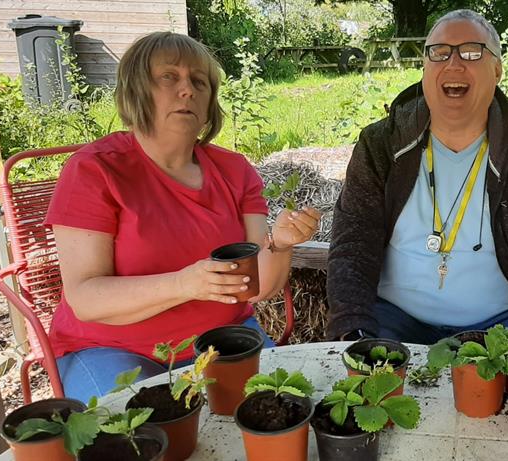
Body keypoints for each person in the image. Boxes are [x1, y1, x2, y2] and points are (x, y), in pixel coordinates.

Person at [45, 32, 320, 402]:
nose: (187, 89)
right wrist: (185, 284)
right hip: (108, 348)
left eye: (199, 81)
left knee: (287, 411)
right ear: (136, 90)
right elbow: (86, 298)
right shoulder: (95, 171)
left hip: (221, 341)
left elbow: (256, 288)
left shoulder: (235, 171)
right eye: (169, 77)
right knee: (143, 437)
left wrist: (282, 244)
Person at [326, 10, 508, 345]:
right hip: (394, 320)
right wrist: (353, 329)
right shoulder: (381, 146)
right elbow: (353, 245)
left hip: (502, 327)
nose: (453, 64)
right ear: (424, 69)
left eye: (471, 52)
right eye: (439, 52)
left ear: (497, 69)